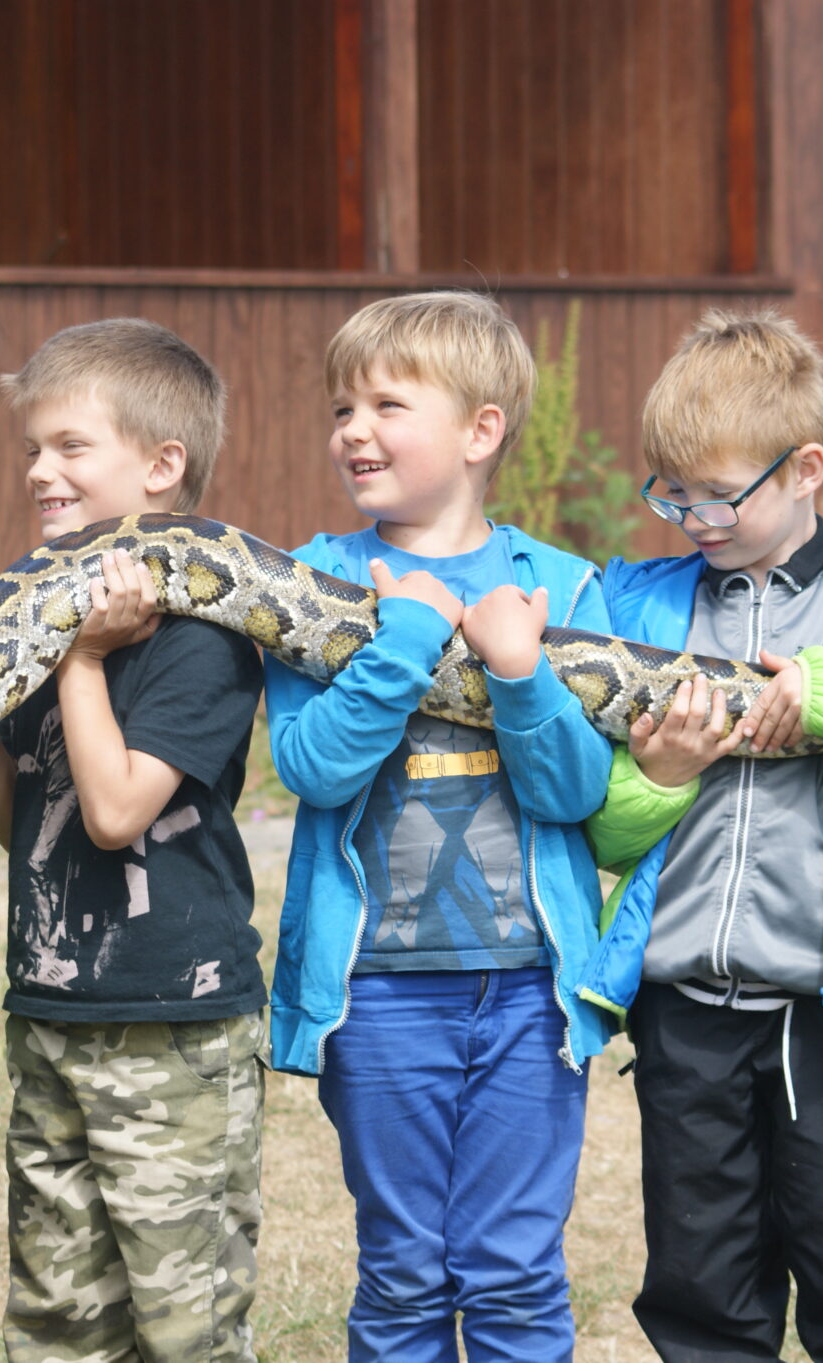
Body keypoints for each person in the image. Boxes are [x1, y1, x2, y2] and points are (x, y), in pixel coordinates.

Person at [576, 310, 823, 1361]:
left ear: (804, 468)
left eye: (714, 493)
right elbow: (603, 828)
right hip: (679, 1001)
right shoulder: (635, 605)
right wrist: (661, 775)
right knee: (698, 1282)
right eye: (668, 491)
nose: (689, 516)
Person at [263, 291, 616, 1361]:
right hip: (373, 992)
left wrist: (519, 673)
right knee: (403, 1269)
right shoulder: (308, 580)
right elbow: (312, 768)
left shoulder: (559, 586)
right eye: (339, 407)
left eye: (385, 403)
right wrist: (407, 634)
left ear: (478, 430)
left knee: (512, 1271)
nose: (351, 429)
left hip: (525, 991)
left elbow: (572, 793)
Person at [0, 318, 267, 1363]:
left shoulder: (204, 636)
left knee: (183, 1323)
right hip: (50, 1011)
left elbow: (115, 810)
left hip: (169, 1022)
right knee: (57, 1319)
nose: (40, 471)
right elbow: (19, 826)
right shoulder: (28, 607)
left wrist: (79, 663)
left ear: (159, 465)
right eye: (31, 451)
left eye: (68, 447)